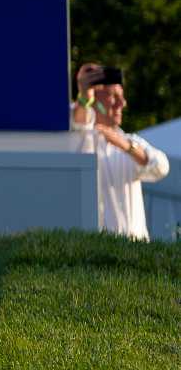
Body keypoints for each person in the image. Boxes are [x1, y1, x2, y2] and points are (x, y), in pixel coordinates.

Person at [71, 63, 170, 241]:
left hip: (133, 253)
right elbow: (79, 122)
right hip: (92, 254)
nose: (121, 103)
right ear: (95, 100)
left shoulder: (130, 142)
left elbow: (161, 167)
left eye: (122, 97)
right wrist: (84, 96)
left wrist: (127, 146)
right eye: (112, 96)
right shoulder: (80, 141)